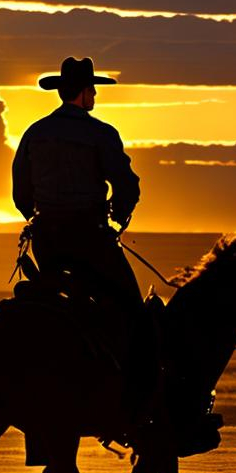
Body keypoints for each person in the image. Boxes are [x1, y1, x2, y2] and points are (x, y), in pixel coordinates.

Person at [11, 56, 142, 314]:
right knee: (133, 309)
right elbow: (127, 185)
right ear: (83, 92)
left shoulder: (34, 133)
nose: (94, 93)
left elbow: (20, 194)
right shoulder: (102, 133)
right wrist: (118, 216)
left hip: (47, 245)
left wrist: (41, 217)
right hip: (91, 240)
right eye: (91, 88)